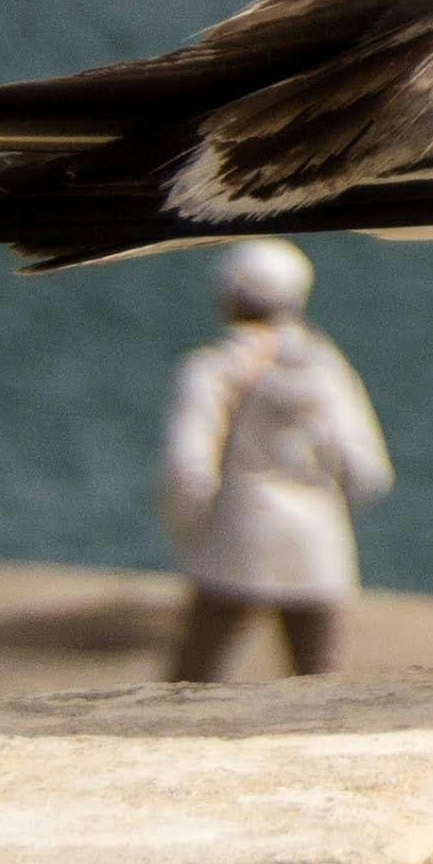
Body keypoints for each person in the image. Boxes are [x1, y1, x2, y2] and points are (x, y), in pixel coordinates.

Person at [163, 242, 392, 682]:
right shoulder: (326, 368)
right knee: (323, 692)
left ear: (229, 294)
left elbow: (187, 468)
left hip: (235, 540)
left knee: (189, 689)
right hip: (319, 548)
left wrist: (191, 532)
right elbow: (368, 471)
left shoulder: (214, 367)